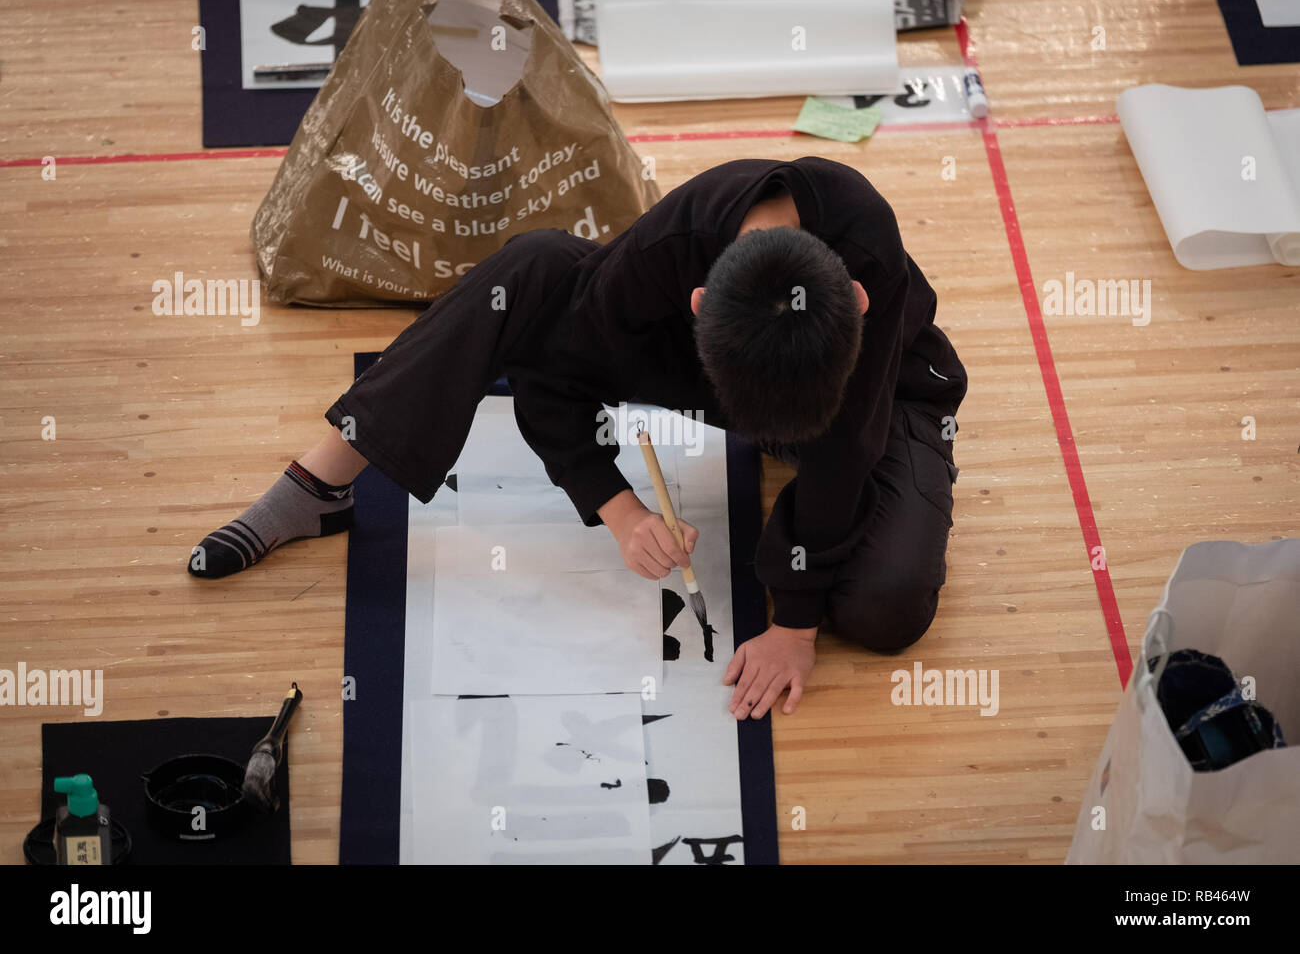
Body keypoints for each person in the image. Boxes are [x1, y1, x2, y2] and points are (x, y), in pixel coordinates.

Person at [187, 156, 967, 721]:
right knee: (530, 270)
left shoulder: (868, 259)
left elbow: (842, 451)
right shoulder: (664, 255)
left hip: (880, 392)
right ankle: (318, 486)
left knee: (885, 607)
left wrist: (792, 626)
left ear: (857, 299)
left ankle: (840, 487)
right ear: (697, 306)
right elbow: (557, 384)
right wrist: (619, 508)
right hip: (749, 375)